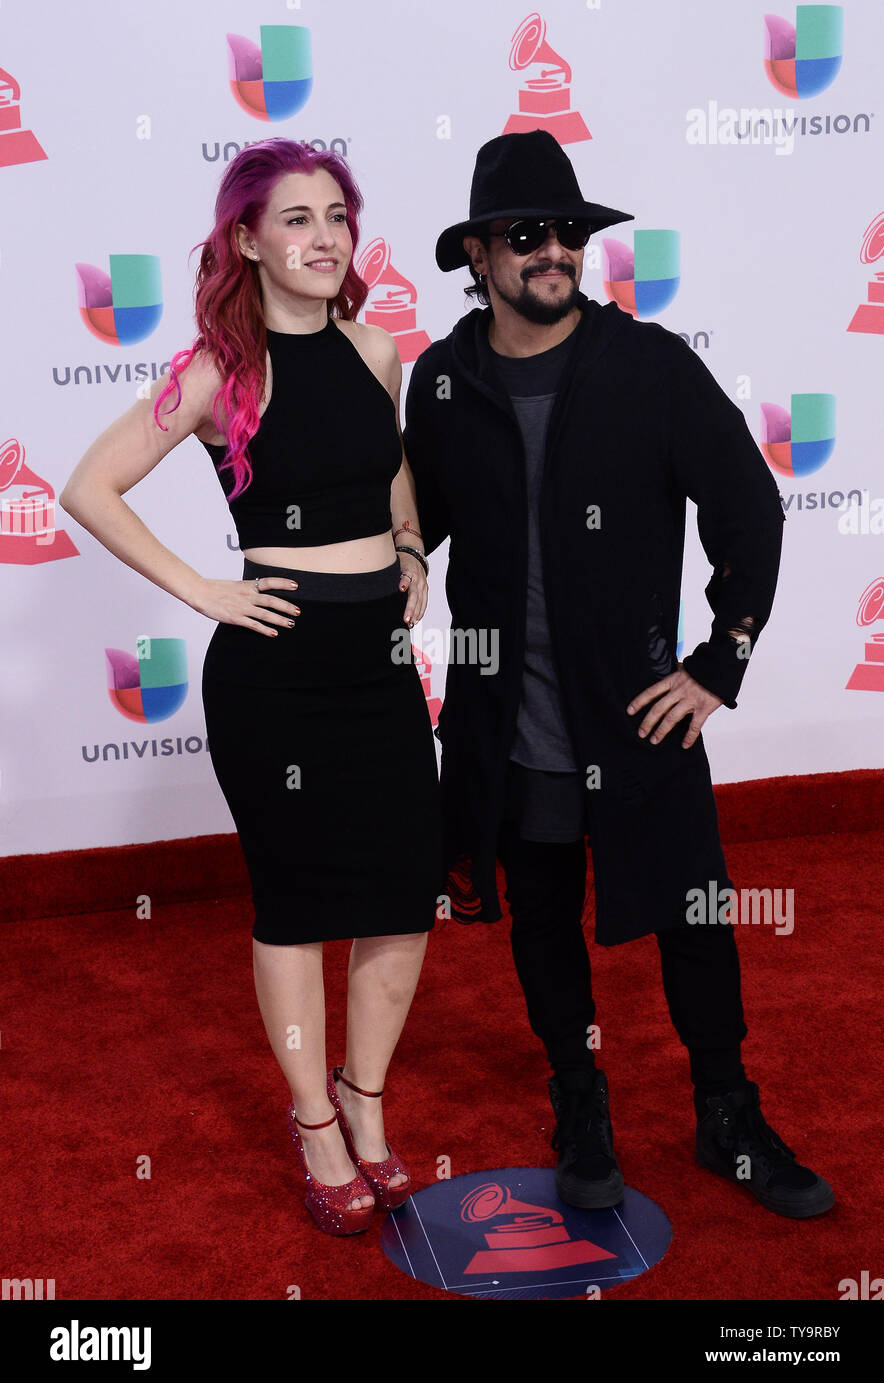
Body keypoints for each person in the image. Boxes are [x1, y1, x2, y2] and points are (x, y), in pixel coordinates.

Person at [403, 130, 833, 1220]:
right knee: (541, 913)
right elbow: (425, 525)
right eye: (525, 236)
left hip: (636, 716)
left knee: (694, 915)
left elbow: (749, 507)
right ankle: (578, 1100)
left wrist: (712, 666)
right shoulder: (442, 382)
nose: (552, 252)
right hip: (509, 717)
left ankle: (724, 1113)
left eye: (566, 233)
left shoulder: (647, 366)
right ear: (479, 255)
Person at [59, 138, 442, 1237]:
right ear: (246, 241)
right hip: (275, 670)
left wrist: (410, 549)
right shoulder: (219, 371)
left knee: (403, 889)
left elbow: (391, 469)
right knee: (298, 901)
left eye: (337, 217)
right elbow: (91, 485)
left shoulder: (378, 351)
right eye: (296, 220)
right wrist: (204, 591)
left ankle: (368, 1108)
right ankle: (314, 1122)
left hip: (375, 659)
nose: (323, 238)